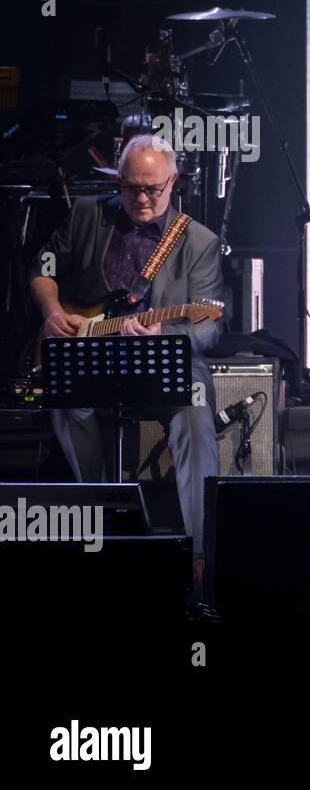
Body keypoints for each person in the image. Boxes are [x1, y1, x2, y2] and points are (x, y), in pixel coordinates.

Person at [30, 134, 222, 585]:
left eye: (152, 189)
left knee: (194, 415)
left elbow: (209, 326)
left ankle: (199, 554)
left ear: (172, 183)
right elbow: (43, 267)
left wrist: (164, 331)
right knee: (68, 401)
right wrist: (54, 312)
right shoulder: (86, 217)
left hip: (164, 363)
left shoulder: (199, 242)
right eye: (131, 187)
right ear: (118, 181)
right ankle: (101, 518)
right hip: (94, 353)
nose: (140, 198)